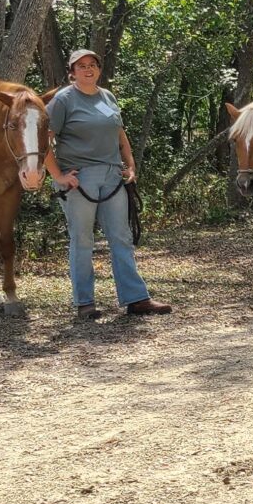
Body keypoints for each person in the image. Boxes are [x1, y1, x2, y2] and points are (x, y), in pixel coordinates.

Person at [44, 48, 171, 320]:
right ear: (72, 72)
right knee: (82, 239)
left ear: (99, 69)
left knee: (121, 237)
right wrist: (58, 175)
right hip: (80, 178)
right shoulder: (62, 100)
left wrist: (131, 164)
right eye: (81, 66)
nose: (88, 69)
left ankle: (136, 298)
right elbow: (43, 140)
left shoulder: (107, 97)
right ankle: (85, 302)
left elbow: (120, 134)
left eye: (92, 65)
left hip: (112, 174)